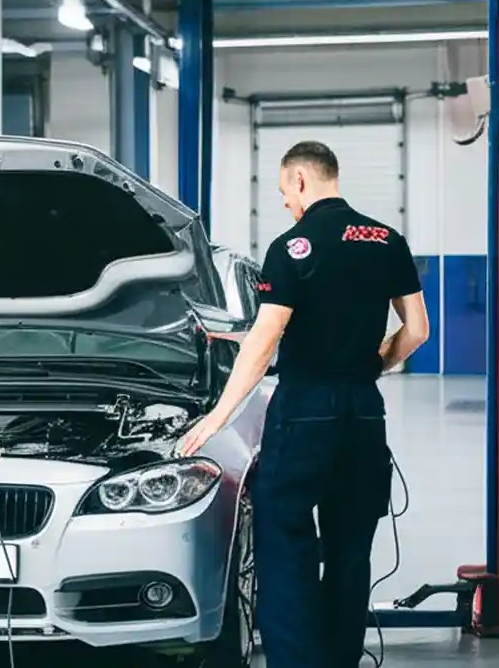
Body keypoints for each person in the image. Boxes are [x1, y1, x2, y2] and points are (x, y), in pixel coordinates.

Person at [175, 141, 429, 667]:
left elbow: (267, 336)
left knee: (285, 540)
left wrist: (217, 417)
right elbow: (418, 331)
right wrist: (371, 366)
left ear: (299, 179)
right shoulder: (387, 240)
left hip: (304, 410)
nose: (287, 204)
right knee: (350, 550)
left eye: (284, 193)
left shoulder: (292, 246)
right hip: (364, 413)